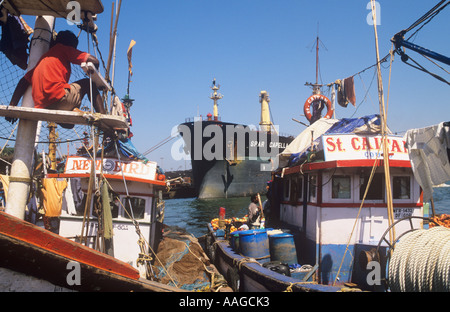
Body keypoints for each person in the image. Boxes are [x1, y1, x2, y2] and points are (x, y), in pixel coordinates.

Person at [6, 30, 106, 128]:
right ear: (71, 45)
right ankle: (104, 118)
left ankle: (72, 109)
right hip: (59, 98)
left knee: (70, 125)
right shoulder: (63, 48)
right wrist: (93, 76)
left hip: (43, 107)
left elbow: (22, 82)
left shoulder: (42, 61)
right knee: (88, 84)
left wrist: (12, 106)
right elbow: (94, 61)